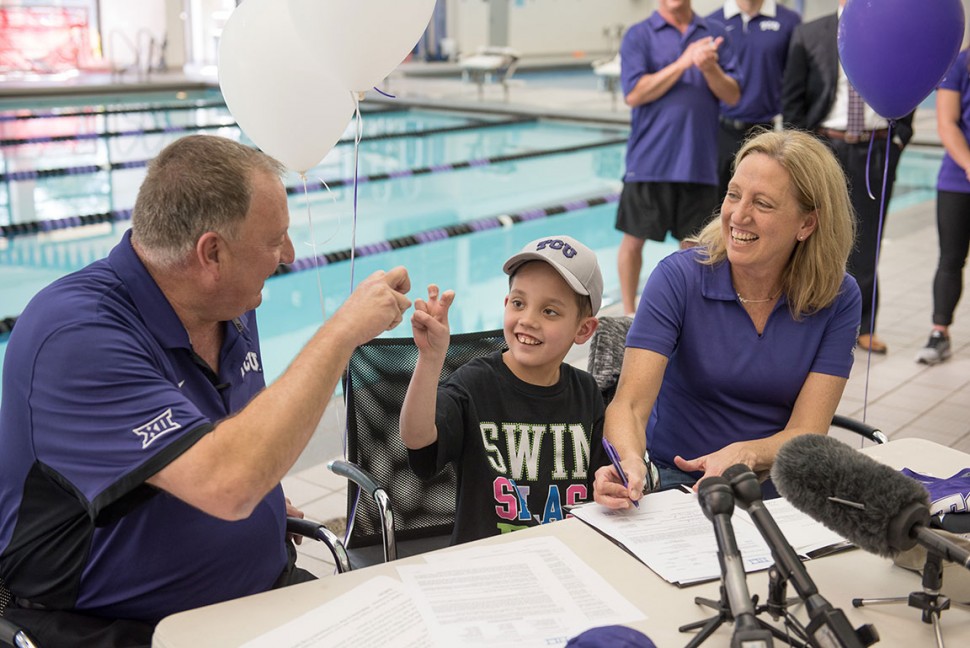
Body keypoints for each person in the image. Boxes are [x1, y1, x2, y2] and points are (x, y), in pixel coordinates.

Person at [0, 135, 412, 645]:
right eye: (274, 239)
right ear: (211, 253)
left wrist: (265, 501)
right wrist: (341, 332)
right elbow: (229, 483)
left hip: (262, 594)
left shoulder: (231, 304)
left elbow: (222, 437)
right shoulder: (75, 336)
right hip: (124, 629)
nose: (286, 255)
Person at [593, 129, 862, 506]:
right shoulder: (679, 278)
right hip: (675, 482)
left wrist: (747, 454)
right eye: (734, 194)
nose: (738, 215)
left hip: (775, 487)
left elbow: (807, 431)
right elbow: (630, 405)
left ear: (807, 224)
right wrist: (631, 464)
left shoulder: (837, 297)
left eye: (762, 204)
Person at [400, 235, 607, 544]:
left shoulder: (586, 392)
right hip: (486, 563)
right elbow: (416, 437)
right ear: (506, 304)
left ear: (583, 329)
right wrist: (430, 359)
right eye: (519, 303)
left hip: (567, 555)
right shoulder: (475, 384)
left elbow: (602, 480)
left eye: (549, 311)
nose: (528, 320)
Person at [782, 0, 914, 355]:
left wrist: (899, 138)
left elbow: (911, 79)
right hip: (826, 145)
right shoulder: (809, 33)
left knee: (867, 243)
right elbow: (792, 101)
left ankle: (864, 325)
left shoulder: (892, 34)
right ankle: (804, 317)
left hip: (875, 149)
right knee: (811, 237)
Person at [615, 0, 742, 317]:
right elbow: (634, 94)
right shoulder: (639, 34)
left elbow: (733, 95)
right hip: (649, 160)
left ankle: (689, 315)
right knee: (633, 242)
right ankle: (629, 316)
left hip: (698, 162)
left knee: (696, 247)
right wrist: (684, 62)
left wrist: (710, 68)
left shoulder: (714, 32)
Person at [706, 0, 801, 201]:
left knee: (758, 204)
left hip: (766, 132)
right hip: (719, 132)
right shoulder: (712, 24)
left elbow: (796, 82)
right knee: (712, 209)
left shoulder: (789, 22)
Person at [916, 48, 970, 365]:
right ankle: (939, 332)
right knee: (951, 258)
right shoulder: (960, 63)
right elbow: (947, 123)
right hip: (958, 179)